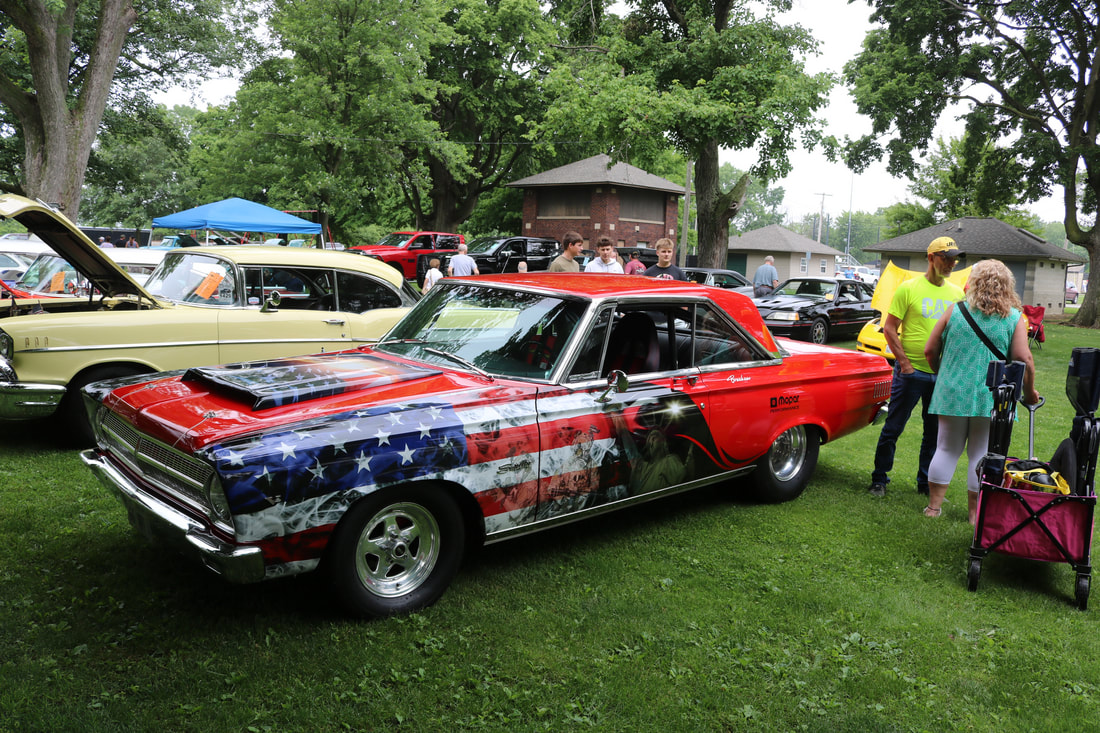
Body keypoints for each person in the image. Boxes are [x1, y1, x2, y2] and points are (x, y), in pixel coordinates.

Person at [923, 259, 1039, 521]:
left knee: (945, 449)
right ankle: (975, 515)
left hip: (952, 390)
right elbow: (1024, 359)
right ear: (1007, 285)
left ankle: (933, 508)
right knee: (981, 453)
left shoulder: (955, 310)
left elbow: (929, 350)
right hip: (993, 395)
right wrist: (1029, 393)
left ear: (973, 282)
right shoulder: (1013, 318)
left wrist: (943, 373)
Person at [868, 236, 966, 498]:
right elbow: (889, 329)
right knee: (893, 428)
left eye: (954, 259)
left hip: (941, 375)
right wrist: (905, 364)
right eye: (946, 258)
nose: (951, 263)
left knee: (933, 434)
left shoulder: (957, 293)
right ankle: (879, 479)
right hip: (911, 374)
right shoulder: (908, 289)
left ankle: (925, 483)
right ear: (931, 258)